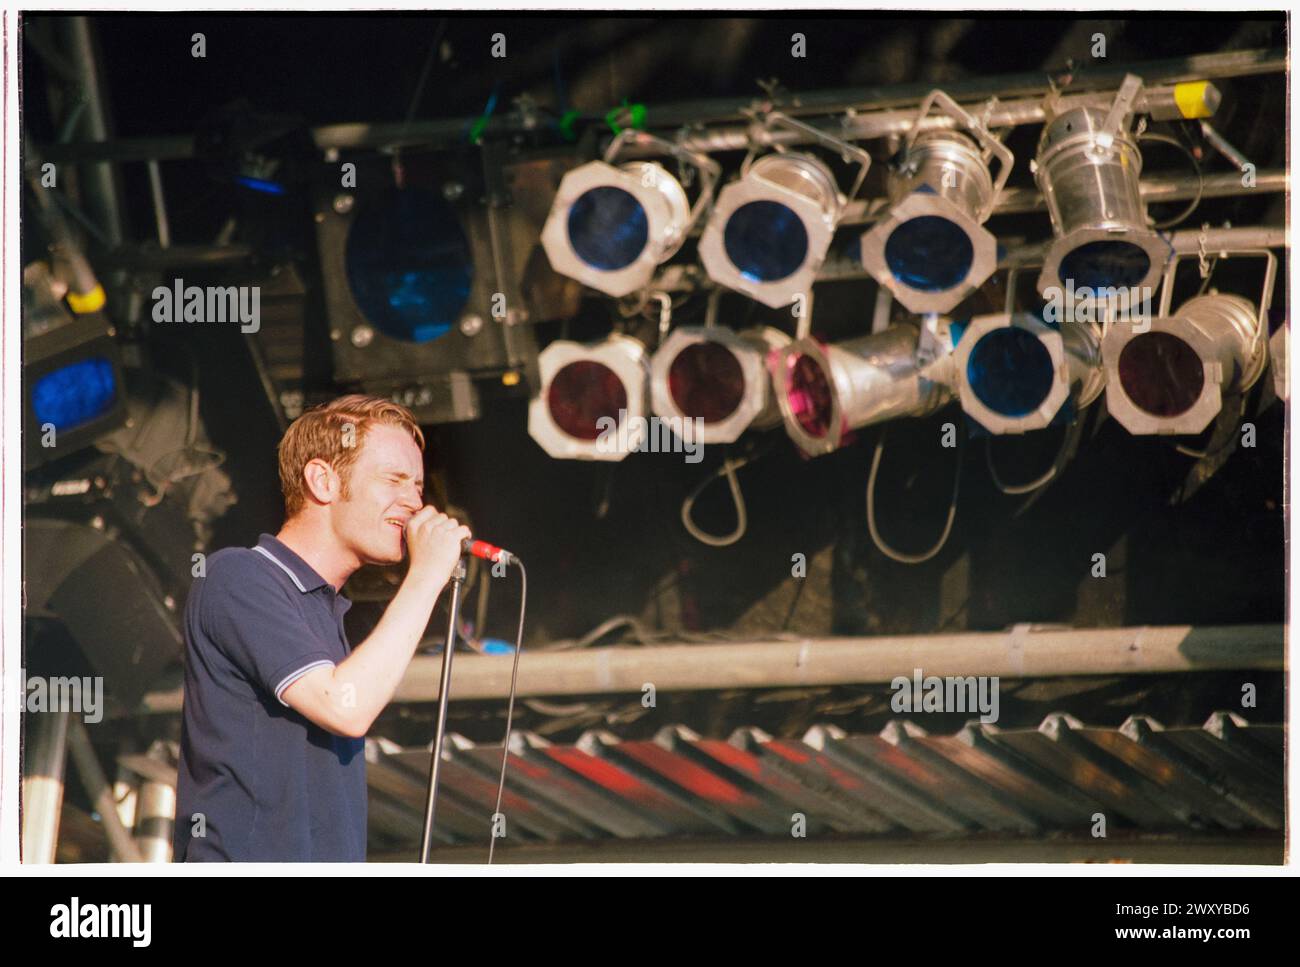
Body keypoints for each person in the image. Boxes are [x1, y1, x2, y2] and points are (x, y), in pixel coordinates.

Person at [173, 394, 469, 861]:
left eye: (416, 485)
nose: (415, 502)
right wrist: (427, 574)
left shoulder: (326, 615)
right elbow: (345, 707)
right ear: (322, 480)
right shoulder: (237, 576)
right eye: (394, 480)